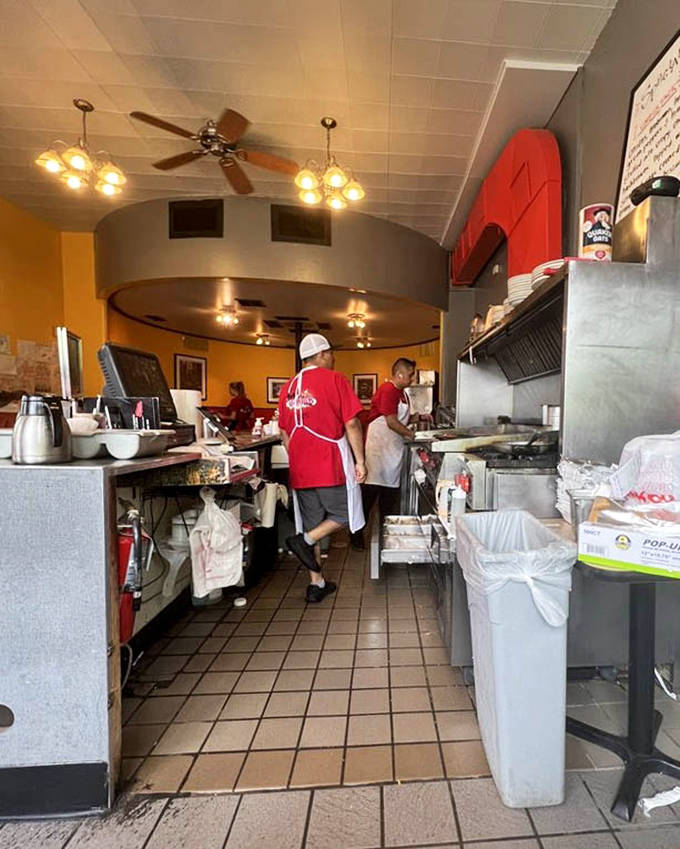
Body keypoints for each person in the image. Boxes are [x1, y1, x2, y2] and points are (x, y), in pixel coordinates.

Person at [278, 333, 366, 602]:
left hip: (300, 466)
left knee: (311, 522)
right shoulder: (336, 380)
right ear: (322, 355)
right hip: (328, 462)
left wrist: (299, 456)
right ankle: (303, 542)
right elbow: (351, 423)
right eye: (331, 353)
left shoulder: (288, 387)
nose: (334, 358)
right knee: (344, 514)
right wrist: (360, 460)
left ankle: (316, 584)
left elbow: (284, 433)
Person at [352, 358, 416, 548]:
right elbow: (391, 422)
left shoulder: (402, 394)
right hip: (379, 448)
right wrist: (412, 434)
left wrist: (418, 417)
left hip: (392, 448)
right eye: (411, 374)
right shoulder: (388, 390)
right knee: (370, 495)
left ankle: (384, 536)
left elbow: (400, 417)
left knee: (388, 493)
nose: (413, 378)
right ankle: (356, 537)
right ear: (400, 374)